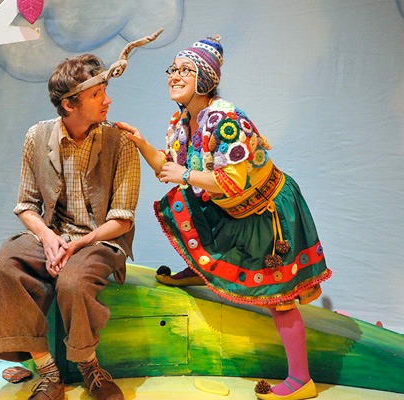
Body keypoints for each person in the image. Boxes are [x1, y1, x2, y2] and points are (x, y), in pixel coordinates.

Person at [116, 36, 331, 400]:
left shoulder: (228, 121)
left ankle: (301, 379)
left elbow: (231, 181)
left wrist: (184, 174)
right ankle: (201, 269)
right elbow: (170, 170)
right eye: (173, 69)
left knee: (279, 295)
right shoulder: (183, 120)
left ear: (205, 79)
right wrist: (142, 144)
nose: (174, 76)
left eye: (185, 70)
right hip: (233, 206)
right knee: (183, 199)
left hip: (269, 211)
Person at [0, 53, 140, 400]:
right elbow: (26, 205)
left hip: (100, 239)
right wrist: (48, 237)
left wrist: (78, 244)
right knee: (2, 267)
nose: (107, 100)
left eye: (105, 91)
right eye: (97, 94)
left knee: (72, 281)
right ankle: (49, 372)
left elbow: (122, 218)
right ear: (70, 104)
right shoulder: (37, 136)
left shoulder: (120, 142)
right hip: (53, 234)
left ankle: (89, 366)